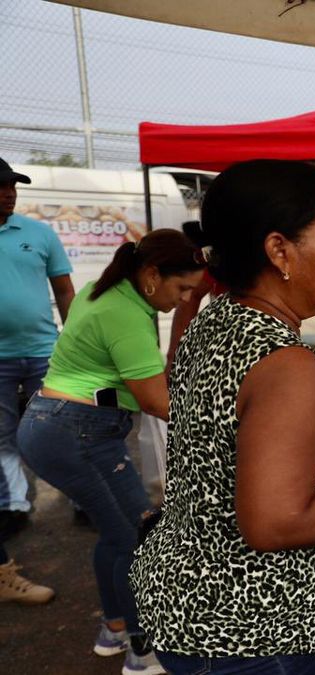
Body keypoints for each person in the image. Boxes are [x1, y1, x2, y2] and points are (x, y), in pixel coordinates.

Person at [130, 160, 315, 675]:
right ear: (278, 250)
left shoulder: (218, 318)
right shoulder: (284, 364)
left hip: (192, 600)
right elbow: (273, 524)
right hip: (254, 631)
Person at [16, 228, 205, 673]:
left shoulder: (102, 291)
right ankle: (142, 651)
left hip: (52, 424)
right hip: (76, 431)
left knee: (116, 532)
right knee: (138, 537)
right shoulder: (125, 314)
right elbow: (156, 402)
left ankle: (114, 629)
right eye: (182, 288)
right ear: (153, 275)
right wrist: (225, 427)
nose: (184, 300)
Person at [0, 158, 72, 604]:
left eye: (12, 187)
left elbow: (64, 290)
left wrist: (74, 344)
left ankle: (83, 501)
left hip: (46, 351)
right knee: (3, 437)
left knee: (64, 427)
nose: (9, 193)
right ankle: (14, 506)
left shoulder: (39, 234)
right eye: (1, 187)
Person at [167, 268, 315, 367]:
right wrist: (175, 355)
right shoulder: (230, 262)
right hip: (227, 360)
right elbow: (191, 296)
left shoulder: (308, 271)